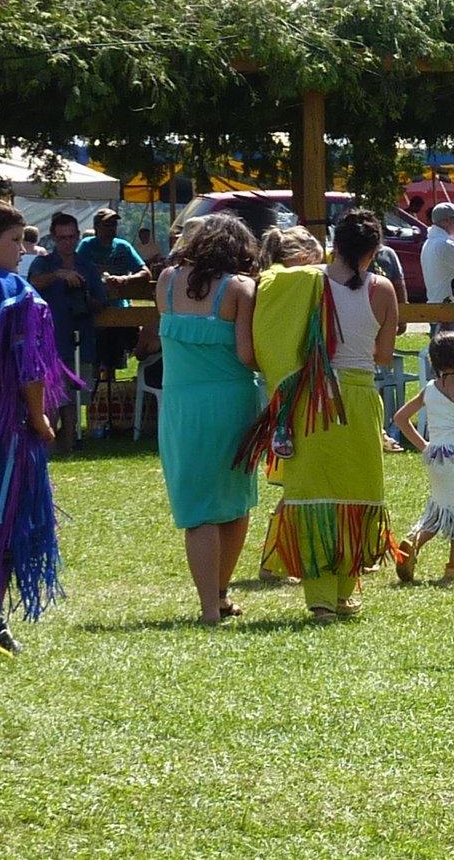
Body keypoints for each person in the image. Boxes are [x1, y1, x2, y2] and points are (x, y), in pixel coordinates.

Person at [247, 209, 401, 621]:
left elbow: (264, 286)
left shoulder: (304, 283)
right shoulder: (383, 290)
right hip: (358, 399)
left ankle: (319, 598)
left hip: (312, 401)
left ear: (336, 244)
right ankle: (345, 593)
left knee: (311, 495)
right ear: (373, 251)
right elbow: (384, 356)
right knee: (357, 495)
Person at [154, 214, 260, 624]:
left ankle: (208, 606)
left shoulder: (165, 281)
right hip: (232, 402)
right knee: (234, 503)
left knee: (198, 508)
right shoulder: (240, 288)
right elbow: (247, 355)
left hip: (180, 405)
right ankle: (218, 596)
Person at [0, 200, 77, 656]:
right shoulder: (16, 292)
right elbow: (29, 366)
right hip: (7, 428)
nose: (19, 252)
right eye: (13, 242)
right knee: (8, 521)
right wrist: (39, 415)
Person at [393, 331, 454, 584]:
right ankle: (453, 566)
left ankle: (413, 543)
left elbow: (400, 418)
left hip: (435, 455)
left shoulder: (429, 389)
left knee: (441, 508)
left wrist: (424, 446)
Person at [28, 212, 104, 451]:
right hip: (49, 340)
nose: (68, 242)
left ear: (78, 237)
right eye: (62, 238)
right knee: (49, 396)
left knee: (73, 396)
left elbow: (100, 304)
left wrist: (84, 295)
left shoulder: (87, 267)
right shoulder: (44, 263)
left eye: (72, 237)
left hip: (80, 338)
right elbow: (32, 284)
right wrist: (59, 275)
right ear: (53, 237)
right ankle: (46, 446)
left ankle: (69, 442)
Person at [77, 208, 149, 375]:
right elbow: (78, 269)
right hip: (94, 308)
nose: (112, 228)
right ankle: (95, 391)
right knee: (95, 355)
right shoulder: (87, 246)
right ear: (96, 227)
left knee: (115, 354)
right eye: (107, 224)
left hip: (119, 308)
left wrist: (124, 279)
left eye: (114, 224)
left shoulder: (123, 247)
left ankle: (111, 383)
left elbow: (145, 272)